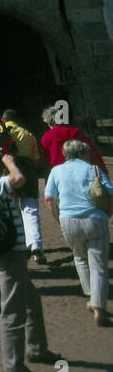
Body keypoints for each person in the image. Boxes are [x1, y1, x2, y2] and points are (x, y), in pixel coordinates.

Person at [0, 144, 61, 372]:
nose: (1, 161)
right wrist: (10, 163)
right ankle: (13, 366)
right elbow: (19, 180)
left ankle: (37, 348)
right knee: (12, 311)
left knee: (31, 301)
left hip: (2, 252)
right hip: (10, 254)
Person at [43, 139, 111, 326]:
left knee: (80, 258)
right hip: (95, 218)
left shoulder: (56, 171)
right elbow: (110, 192)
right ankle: (99, 306)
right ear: (83, 153)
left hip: (68, 219)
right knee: (99, 264)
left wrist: (59, 219)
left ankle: (90, 294)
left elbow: (49, 198)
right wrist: (108, 213)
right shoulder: (93, 169)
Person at [0, 109, 45, 263]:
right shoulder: (29, 135)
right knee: (30, 210)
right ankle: (35, 246)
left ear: (3, 120)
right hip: (28, 174)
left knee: (10, 210)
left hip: (8, 172)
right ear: (18, 120)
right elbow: (36, 160)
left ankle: (17, 246)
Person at [40, 106, 107, 175]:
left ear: (48, 121)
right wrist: (103, 172)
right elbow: (92, 152)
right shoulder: (75, 132)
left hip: (58, 173)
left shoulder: (46, 137)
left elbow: (45, 160)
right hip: (78, 171)